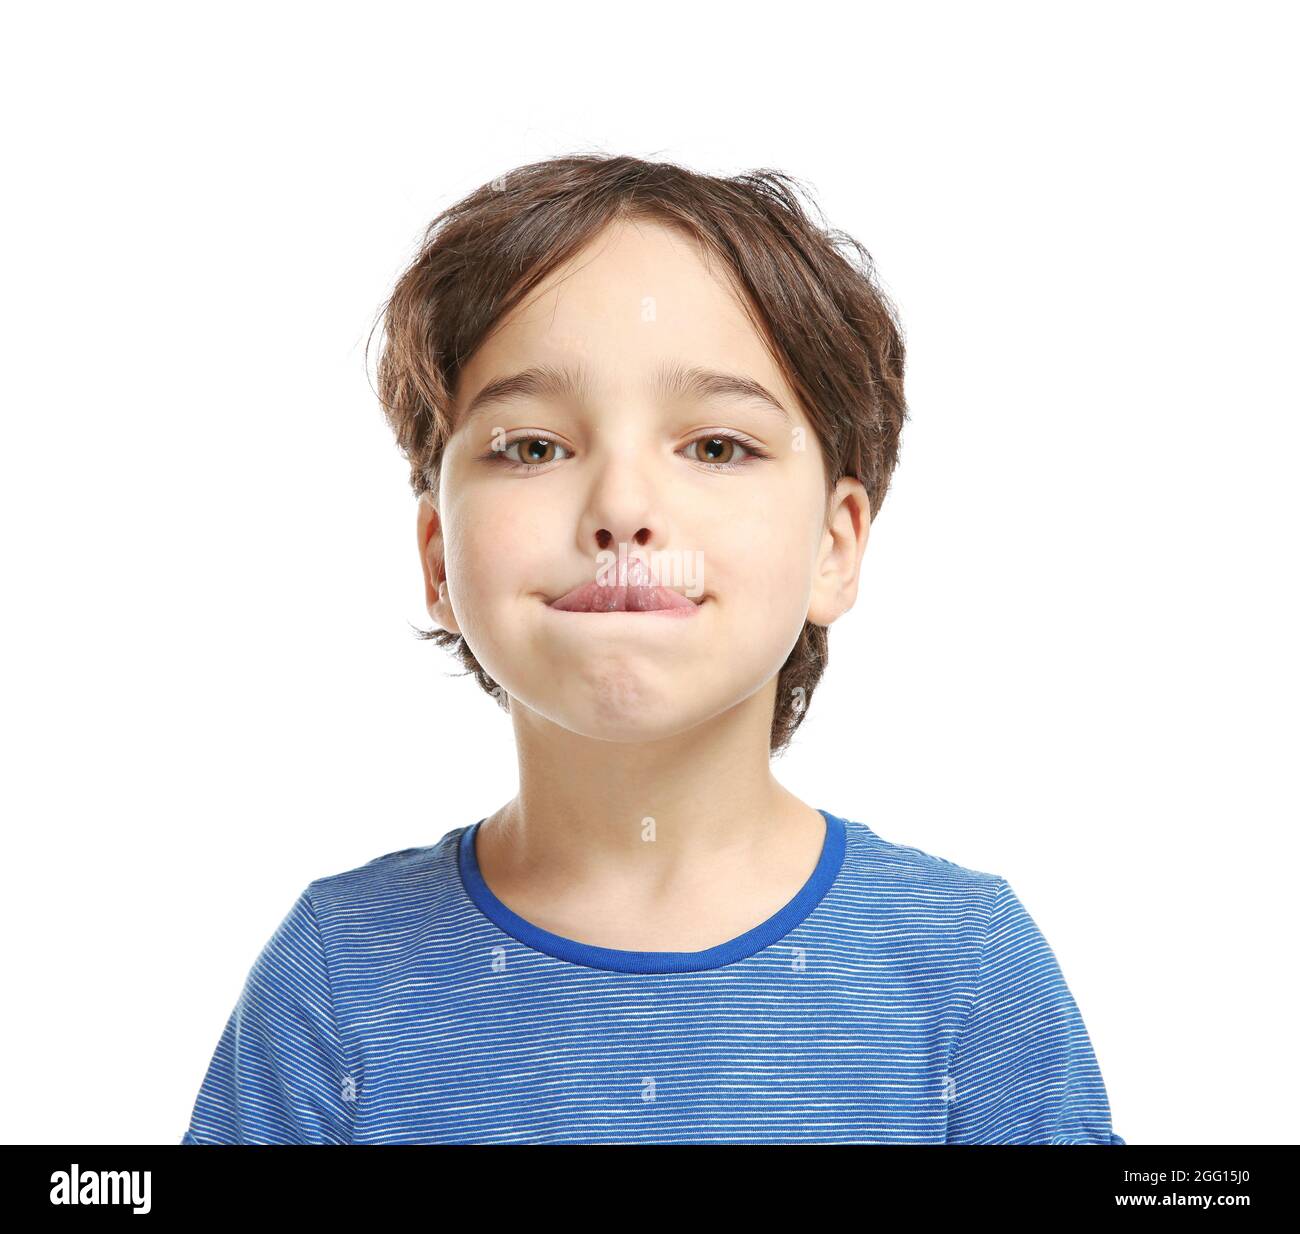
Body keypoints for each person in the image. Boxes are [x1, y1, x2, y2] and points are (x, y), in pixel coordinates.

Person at [180, 153, 1123, 1144]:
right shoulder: (333, 980)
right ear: (437, 559)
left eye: (716, 446)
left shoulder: (969, 972)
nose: (623, 507)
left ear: (835, 546)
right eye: (533, 447)